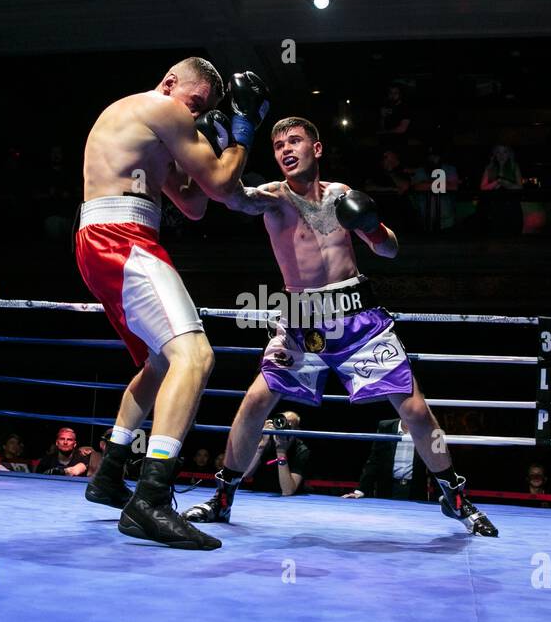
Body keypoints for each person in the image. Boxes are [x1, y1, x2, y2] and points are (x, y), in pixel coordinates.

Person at [183, 116, 497, 536]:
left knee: (416, 410)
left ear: (317, 149)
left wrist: (371, 225)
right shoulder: (273, 199)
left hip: (357, 318)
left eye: (294, 141)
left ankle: (454, 496)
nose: (285, 150)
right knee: (255, 403)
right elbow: (227, 195)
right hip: (299, 323)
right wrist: (237, 137)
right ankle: (222, 498)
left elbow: (388, 251)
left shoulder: (344, 195)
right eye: (277, 146)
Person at [76, 56, 273, 550]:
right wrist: (244, 129)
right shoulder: (162, 107)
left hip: (104, 239)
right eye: (196, 104)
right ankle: (152, 498)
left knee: (161, 365)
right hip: (123, 237)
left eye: (204, 110)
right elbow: (223, 183)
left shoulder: (143, 128)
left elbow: (195, 203)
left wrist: (220, 143)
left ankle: (110, 473)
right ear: (170, 84)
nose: (196, 115)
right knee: (197, 356)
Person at [342, 416, 427, 501]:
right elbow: (374, 460)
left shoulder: (427, 430)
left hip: (416, 491)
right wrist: (360, 491)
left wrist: (440, 495)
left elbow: (437, 464)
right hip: (387, 489)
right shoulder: (386, 427)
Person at [247, 412, 310, 495]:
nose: (283, 426)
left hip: (287, 502)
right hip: (259, 494)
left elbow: (287, 491)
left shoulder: (301, 450)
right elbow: (246, 475)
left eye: (289, 425)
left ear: (297, 430)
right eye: (282, 421)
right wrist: (262, 444)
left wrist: (281, 451)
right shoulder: (265, 440)